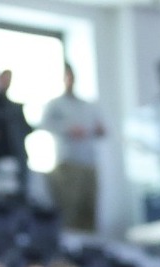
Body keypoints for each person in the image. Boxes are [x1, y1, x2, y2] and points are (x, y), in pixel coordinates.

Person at [39, 63, 104, 233]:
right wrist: (68, 129)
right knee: (70, 208)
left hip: (89, 162)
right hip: (68, 163)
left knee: (89, 207)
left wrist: (98, 130)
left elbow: (102, 128)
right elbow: (44, 125)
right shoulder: (55, 104)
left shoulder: (87, 105)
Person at [0, 70, 33, 188]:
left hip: (16, 156)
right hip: (1, 157)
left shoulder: (14, 108)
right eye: (4, 79)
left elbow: (26, 129)